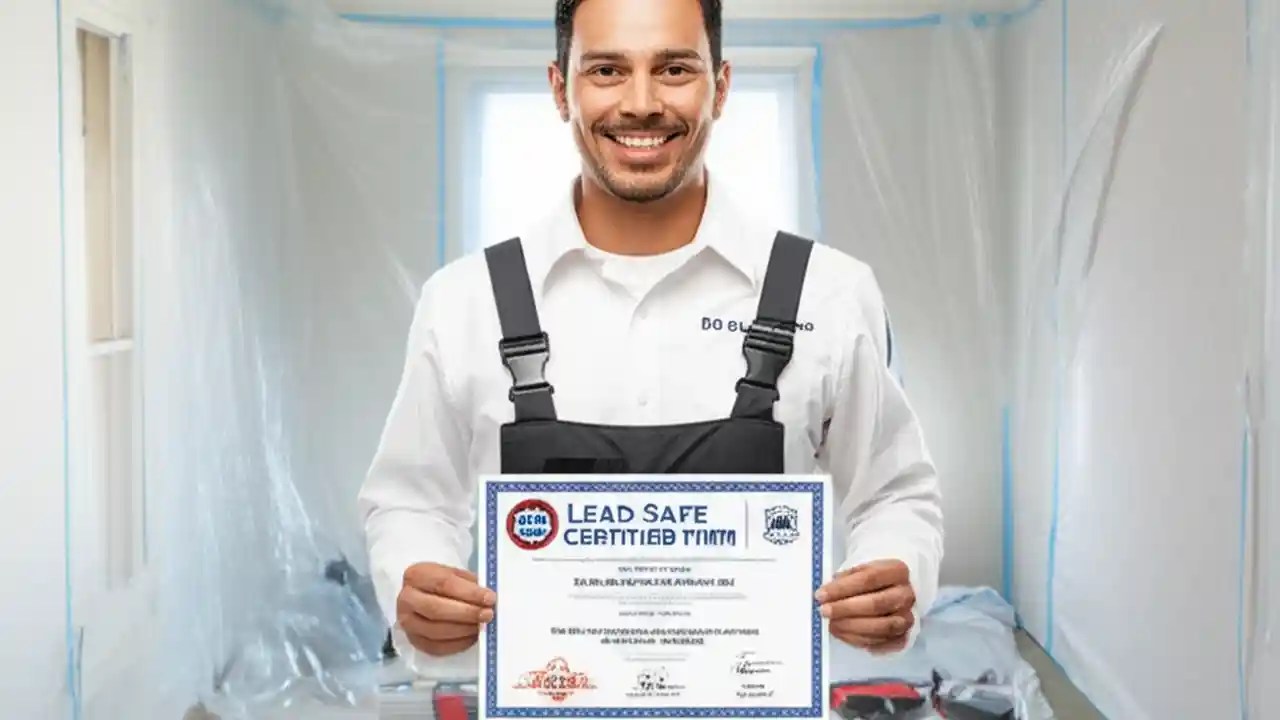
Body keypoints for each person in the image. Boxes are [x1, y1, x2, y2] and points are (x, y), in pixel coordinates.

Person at [357, 0, 943, 667]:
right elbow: (410, 499)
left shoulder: (830, 294)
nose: (641, 103)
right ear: (560, 88)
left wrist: (895, 571)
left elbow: (894, 492)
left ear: (720, 88)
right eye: (607, 69)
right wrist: (416, 576)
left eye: (674, 69)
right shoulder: (463, 303)